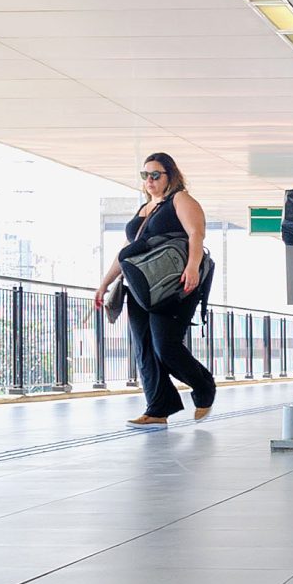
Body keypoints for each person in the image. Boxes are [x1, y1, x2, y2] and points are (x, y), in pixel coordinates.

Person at [94, 152, 214, 428]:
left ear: (170, 176)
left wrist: (193, 267)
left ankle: (204, 385)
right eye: (145, 175)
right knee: (145, 348)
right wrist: (105, 283)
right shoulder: (146, 208)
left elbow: (196, 233)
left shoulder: (180, 200)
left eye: (155, 174)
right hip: (141, 287)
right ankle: (159, 408)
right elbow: (128, 250)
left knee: (166, 347)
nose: (149, 180)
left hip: (174, 285)